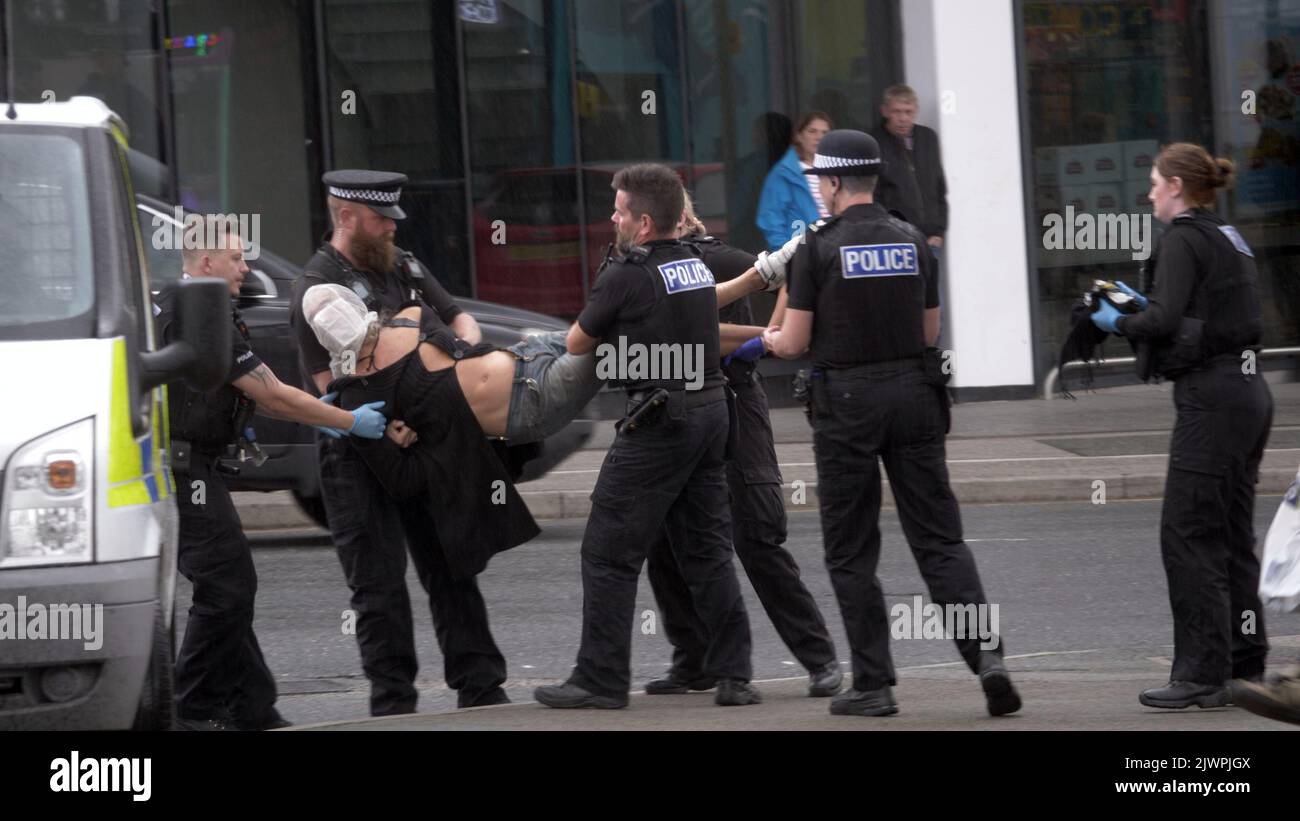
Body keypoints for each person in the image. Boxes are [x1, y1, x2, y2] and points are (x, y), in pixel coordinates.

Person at [764, 130, 1020, 718]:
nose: (820, 191)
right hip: (915, 398)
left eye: (821, 182)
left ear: (833, 182)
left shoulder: (817, 248)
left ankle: (874, 685)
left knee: (851, 551)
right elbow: (930, 333)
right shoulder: (912, 240)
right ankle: (989, 660)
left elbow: (794, 342)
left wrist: (773, 340)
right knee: (940, 540)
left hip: (847, 406)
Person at [533, 163, 758, 709]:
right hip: (711, 412)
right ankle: (734, 675)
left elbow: (577, 342)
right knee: (707, 550)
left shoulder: (626, 274)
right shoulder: (693, 263)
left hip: (660, 420)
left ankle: (600, 680)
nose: (613, 218)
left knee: (607, 552)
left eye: (620, 211)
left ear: (644, 223)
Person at [288, 169, 509, 715]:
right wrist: (388, 424)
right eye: (380, 218)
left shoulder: (402, 264)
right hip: (359, 455)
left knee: (453, 566)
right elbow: (327, 386)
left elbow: (459, 318)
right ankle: (393, 706)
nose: (391, 226)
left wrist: (460, 364)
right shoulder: (319, 285)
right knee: (379, 586)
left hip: (425, 440)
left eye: (392, 217)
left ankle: (481, 687)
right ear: (346, 217)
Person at [155, 216, 389, 731]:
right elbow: (272, 394)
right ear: (208, 261)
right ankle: (192, 711)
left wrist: (319, 413)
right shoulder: (199, 313)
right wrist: (348, 421)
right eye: (236, 258)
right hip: (185, 472)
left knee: (228, 589)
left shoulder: (184, 303)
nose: (245, 268)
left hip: (189, 465)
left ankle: (253, 707)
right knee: (227, 588)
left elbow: (251, 389)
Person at [1090, 143, 1273, 709]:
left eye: (1154, 183)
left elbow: (1165, 318)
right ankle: (1244, 663)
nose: (1148, 194)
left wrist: (1116, 319)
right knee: (1231, 536)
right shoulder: (1228, 236)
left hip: (1211, 398)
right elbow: (1202, 309)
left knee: (1188, 534)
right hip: (1250, 393)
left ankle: (1200, 674)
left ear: (1175, 186)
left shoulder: (1181, 238)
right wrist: (1143, 306)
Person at [643, 196, 843, 698]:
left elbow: (791, 272)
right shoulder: (647, 266)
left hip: (734, 401)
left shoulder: (718, 258)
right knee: (665, 540)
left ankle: (820, 658)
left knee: (756, 536)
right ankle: (695, 663)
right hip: (679, 408)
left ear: (679, 218)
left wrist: (769, 335)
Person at [870, 85, 948, 258]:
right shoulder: (874, 143)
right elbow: (873, 197)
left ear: (916, 111)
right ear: (885, 111)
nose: (903, 118)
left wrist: (938, 231)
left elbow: (939, 189)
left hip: (930, 242)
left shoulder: (928, 138)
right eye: (896, 112)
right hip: (894, 244)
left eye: (908, 112)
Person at [756, 111, 833, 251]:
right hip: (803, 253)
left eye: (825, 133)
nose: (819, 137)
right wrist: (787, 255)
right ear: (799, 136)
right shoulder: (783, 173)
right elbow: (771, 220)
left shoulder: (836, 170)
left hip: (834, 250)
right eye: (812, 131)